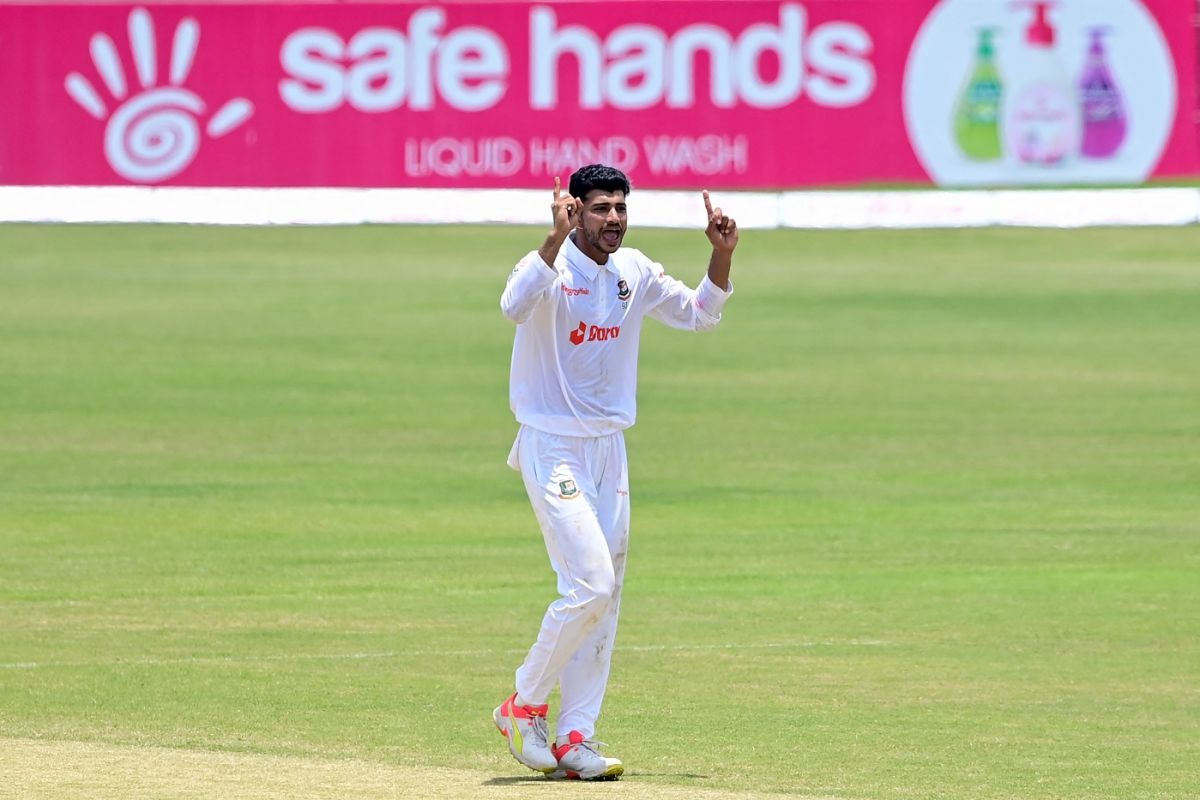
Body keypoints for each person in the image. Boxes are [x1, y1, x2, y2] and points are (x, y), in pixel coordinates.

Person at [493, 164, 738, 781]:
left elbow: (703, 314)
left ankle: (578, 736)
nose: (614, 220)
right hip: (554, 445)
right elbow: (512, 305)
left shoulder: (634, 272)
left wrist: (722, 256)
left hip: (610, 450)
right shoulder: (549, 271)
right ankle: (522, 706)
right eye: (600, 208)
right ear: (575, 210)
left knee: (606, 598)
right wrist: (549, 241)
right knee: (591, 584)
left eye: (620, 208)